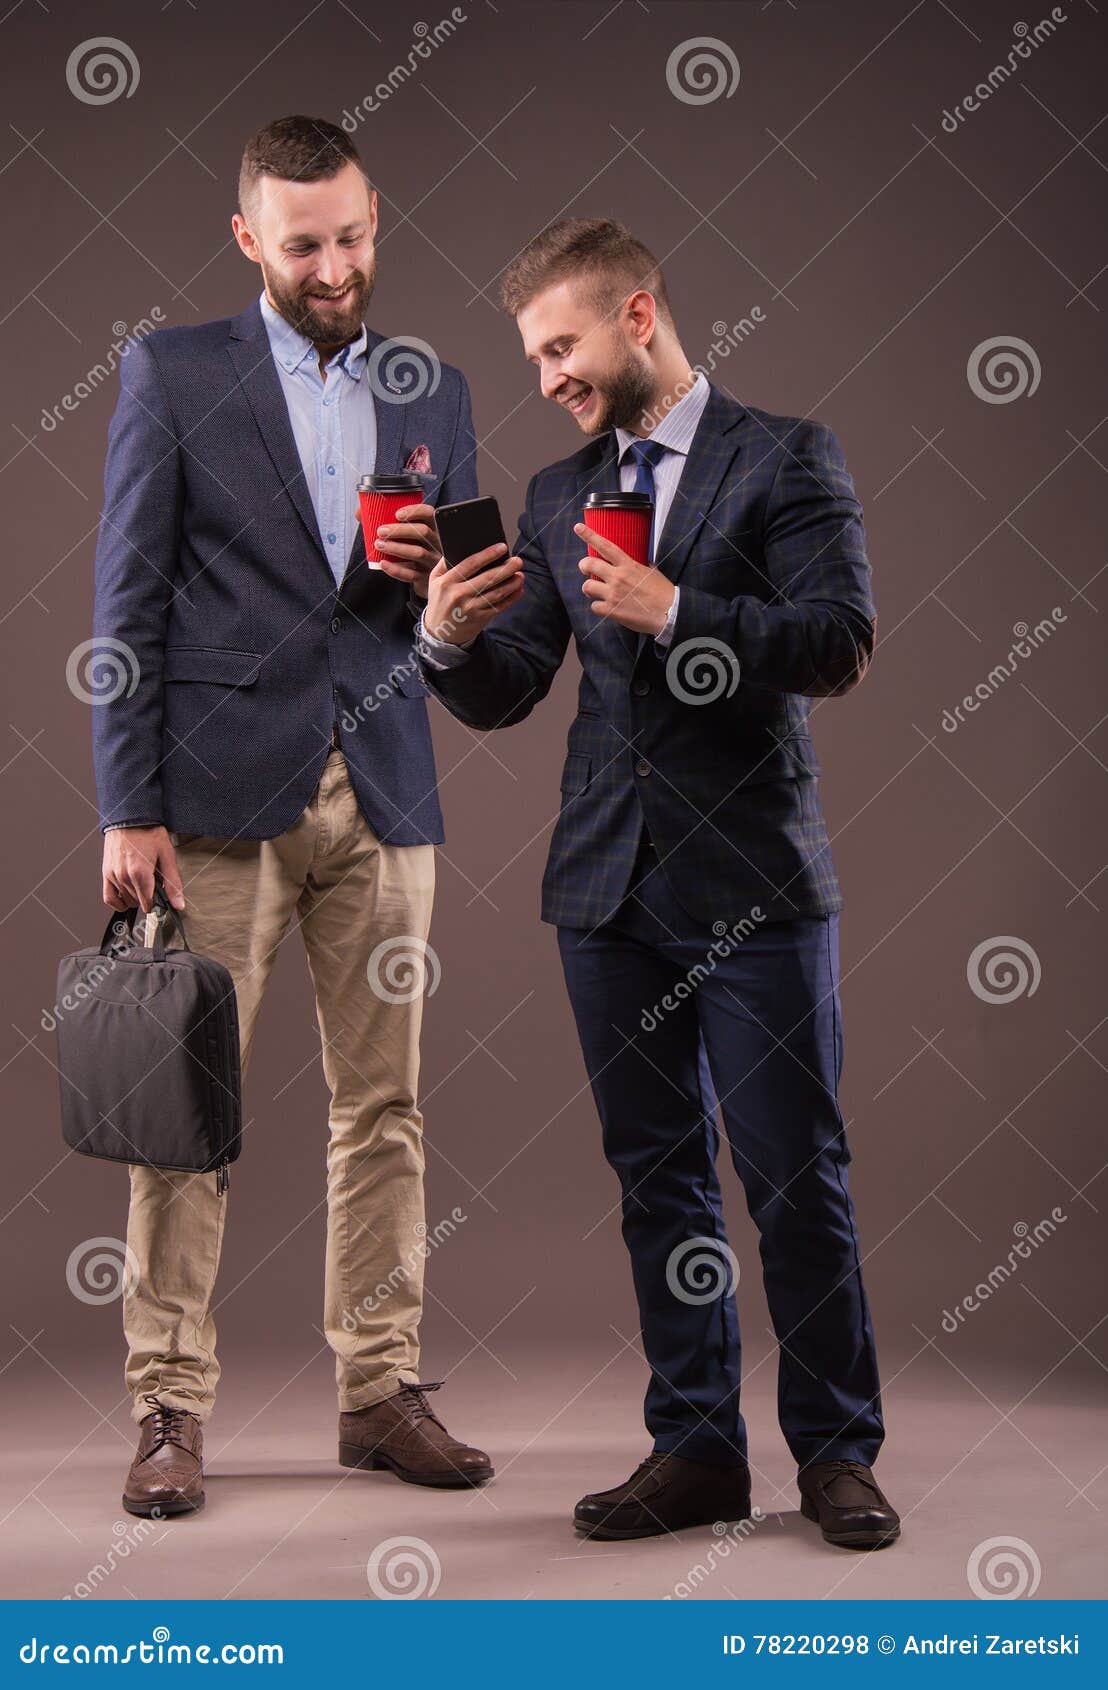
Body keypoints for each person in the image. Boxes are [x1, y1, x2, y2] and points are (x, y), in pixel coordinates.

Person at [414, 218, 899, 1550]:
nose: (547, 378)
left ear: (638, 318)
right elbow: (512, 686)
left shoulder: (787, 456)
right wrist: (447, 631)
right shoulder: (560, 493)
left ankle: (838, 1452)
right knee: (660, 1179)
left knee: (795, 1173)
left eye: (561, 346)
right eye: (531, 356)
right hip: (607, 895)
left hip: (755, 888)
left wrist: (679, 608)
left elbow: (839, 642)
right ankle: (695, 1448)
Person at [93, 114, 491, 1518]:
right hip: (208, 799)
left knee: (384, 1105)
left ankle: (379, 1390)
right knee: (183, 1112)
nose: (336, 266)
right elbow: (126, 604)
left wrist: (440, 593)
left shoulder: (432, 386)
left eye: (355, 235)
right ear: (252, 238)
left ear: (376, 219)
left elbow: (469, 621)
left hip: (383, 789)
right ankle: (168, 1405)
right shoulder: (174, 370)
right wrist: (125, 803)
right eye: (305, 242)